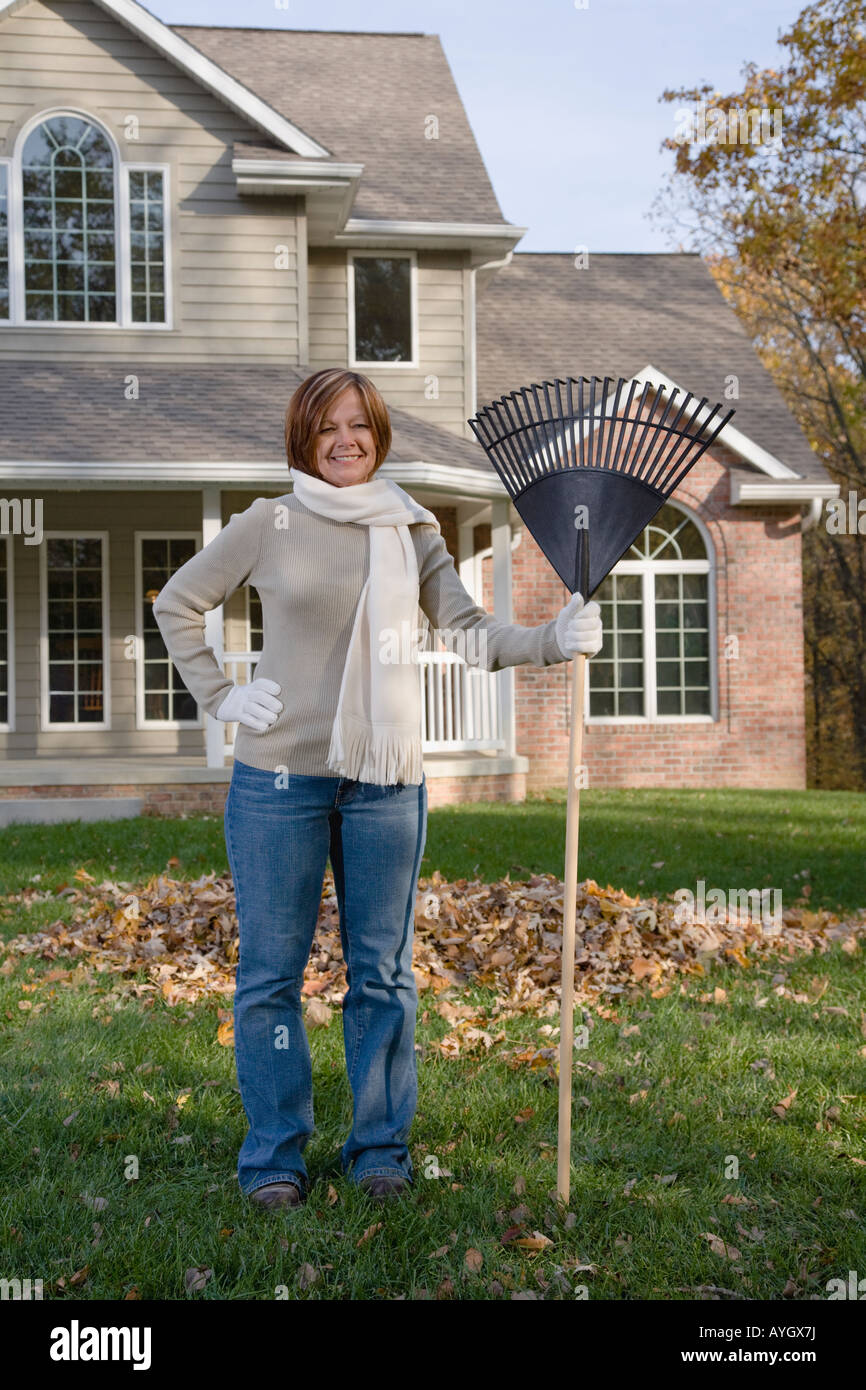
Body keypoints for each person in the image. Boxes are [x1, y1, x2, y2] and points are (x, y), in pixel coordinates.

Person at [152, 367, 602, 1211]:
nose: (346, 440)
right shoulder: (268, 523)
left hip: (385, 781)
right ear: (304, 439)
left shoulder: (409, 527)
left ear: (379, 432)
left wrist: (551, 636)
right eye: (327, 427)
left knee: (384, 973)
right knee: (271, 977)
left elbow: (469, 634)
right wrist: (221, 695)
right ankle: (275, 1158)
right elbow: (178, 604)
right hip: (277, 779)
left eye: (359, 424)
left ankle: (380, 1152)